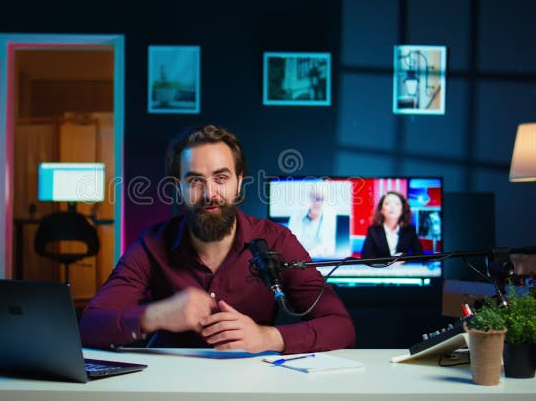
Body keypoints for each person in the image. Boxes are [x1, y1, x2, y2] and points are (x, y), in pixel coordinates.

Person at [79, 125, 355, 354]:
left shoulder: (278, 241)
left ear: (239, 180)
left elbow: (341, 327)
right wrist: (156, 315)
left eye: (221, 178)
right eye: (195, 181)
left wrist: (267, 337)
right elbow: (88, 326)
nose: (209, 193)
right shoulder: (151, 245)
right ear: (178, 188)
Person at [360, 191, 423, 259]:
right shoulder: (373, 230)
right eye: (387, 203)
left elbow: (419, 256)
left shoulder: (410, 230)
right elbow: (365, 257)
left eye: (397, 204)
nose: (392, 206)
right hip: (381, 269)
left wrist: (404, 258)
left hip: (403, 269)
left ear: (402, 210)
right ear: (381, 210)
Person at [287, 184, 337, 258]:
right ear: (310, 198)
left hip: (320, 260)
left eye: (321, 199)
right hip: (299, 261)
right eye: (315, 198)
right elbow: (290, 243)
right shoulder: (296, 217)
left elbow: (330, 247)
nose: (318, 203)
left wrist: (311, 254)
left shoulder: (331, 220)